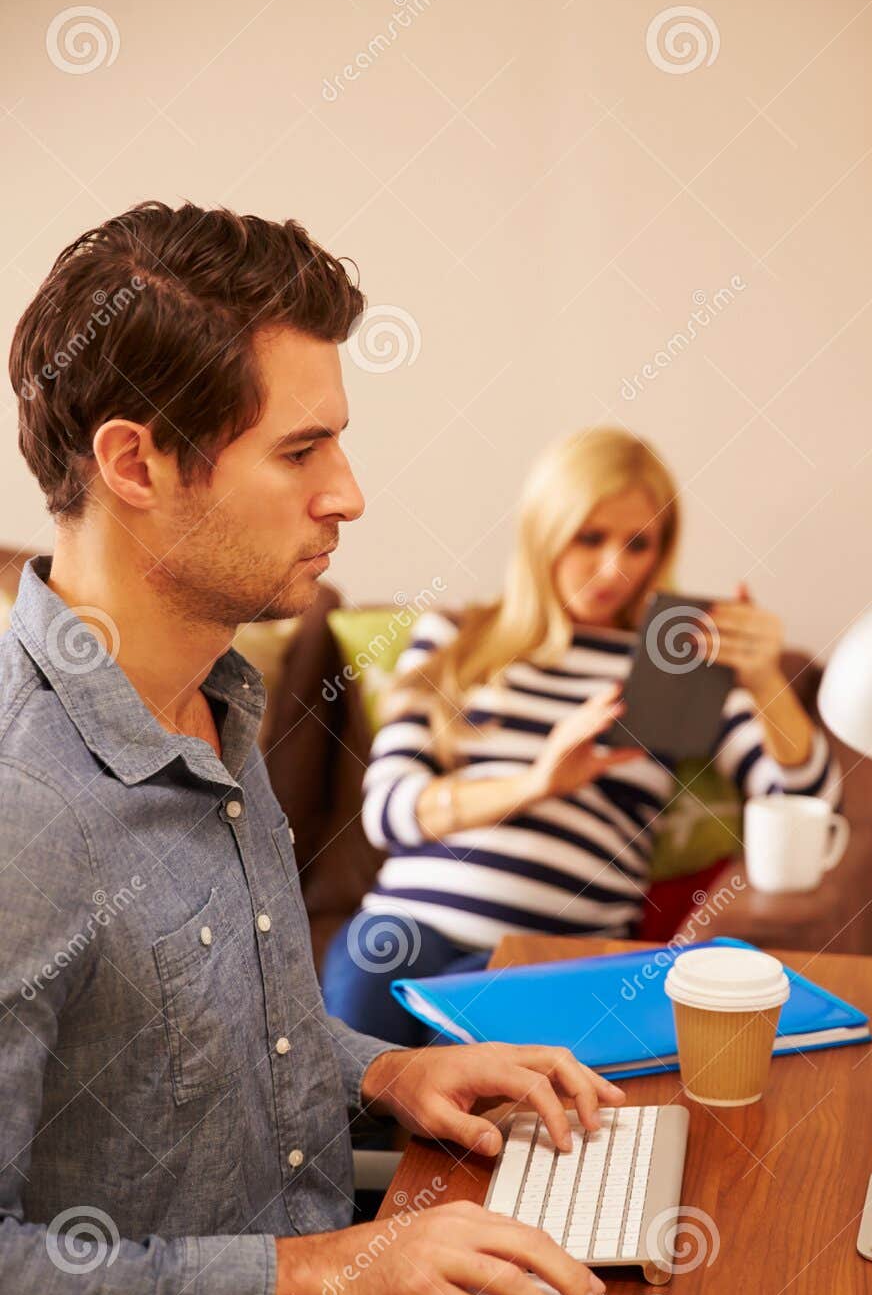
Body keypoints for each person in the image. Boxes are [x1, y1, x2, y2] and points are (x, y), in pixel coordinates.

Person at [0, 201, 619, 1295]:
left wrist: (383, 1075)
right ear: (136, 463)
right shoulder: (24, 813)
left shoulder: (214, 699)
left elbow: (175, 1028)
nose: (347, 493)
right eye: (302, 450)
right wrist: (327, 1266)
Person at [323, 428, 840, 1045]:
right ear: (545, 533)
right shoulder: (458, 639)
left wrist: (764, 683)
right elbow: (387, 812)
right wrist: (537, 782)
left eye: (639, 543)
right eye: (590, 538)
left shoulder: (673, 665)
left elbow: (806, 801)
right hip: (407, 927)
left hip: (555, 956)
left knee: (465, 1084)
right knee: (350, 1048)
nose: (614, 568)